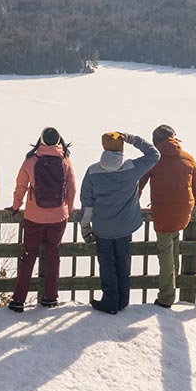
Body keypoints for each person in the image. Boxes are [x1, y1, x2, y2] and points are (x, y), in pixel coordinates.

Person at [79, 131, 160, 315]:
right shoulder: (132, 168)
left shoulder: (92, 171)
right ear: (122, 147)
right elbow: (154, 155)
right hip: (125, 226)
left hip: (103, 228)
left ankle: (110, 301)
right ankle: (123, 300)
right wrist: (133, 139)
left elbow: (87, 203)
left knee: (107, 263)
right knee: (122, 262)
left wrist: (85, 227)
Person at [7, 127, 76, 312]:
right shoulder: (65, 161)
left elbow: (20, 185)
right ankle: (51, 298)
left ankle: (18, 300)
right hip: (58, 217)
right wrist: (67, 210)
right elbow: (72, 188)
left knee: (29, 256)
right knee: (53, 255)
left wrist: (15, 206)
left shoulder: (31, 160)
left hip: (34, 217)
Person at [138, 124, 196, 309]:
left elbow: (140, 182)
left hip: (163, 212)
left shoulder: (153, 159)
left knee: (165, 252)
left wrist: (134, 202)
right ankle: (174, 284)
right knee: (174, 242)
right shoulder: (188, 157)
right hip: (184, 211)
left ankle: (167, 297)